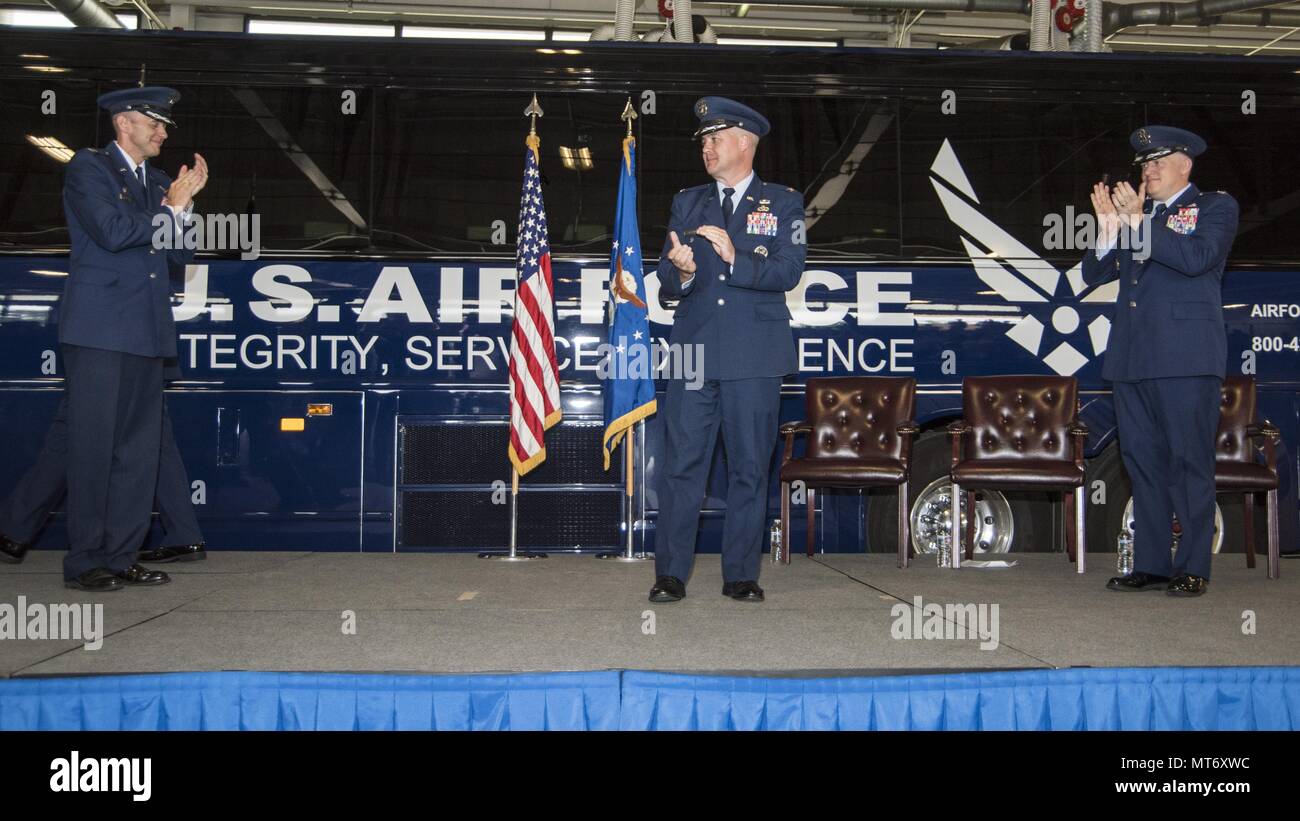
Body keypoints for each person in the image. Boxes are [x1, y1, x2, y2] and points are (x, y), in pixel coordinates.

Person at [649, 97, 806, 603]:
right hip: (694, 355)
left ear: (744, 143)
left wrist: (736, 259)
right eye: (704, 140)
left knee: (748, 468)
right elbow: (667, 276)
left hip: (754, 357)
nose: (706, 147)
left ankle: (741, 575)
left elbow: (789, 270)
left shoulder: (783, 203)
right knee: (681, 468)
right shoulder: (688, 201)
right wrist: (684, 272)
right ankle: (670, 575)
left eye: (716, 139)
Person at [57, 86, 208, 591]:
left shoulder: (161, 182)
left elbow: (179, 258)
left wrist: (183, 212)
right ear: (125, 123)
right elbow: (112, 230)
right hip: (100, 332)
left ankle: (122, 556)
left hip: (147, 333)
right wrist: (170, 211)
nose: (162, 133)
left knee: (138, 456)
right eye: (155, 123)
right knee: (94, 450)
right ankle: (85, 561)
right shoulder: (89, 168)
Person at [1082, 126, 1239, 597]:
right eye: (1144, 165)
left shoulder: (1214, 207)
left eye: (1157, 162)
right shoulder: (1139, 217)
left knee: (1188, 463)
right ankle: (1150, 563)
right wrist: (1111, 230)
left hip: (1185, 360)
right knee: (1142, 463)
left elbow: (1196, 259)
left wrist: (1138, 224)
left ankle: (1193, 565)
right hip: (1132, 359)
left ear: (1185, 165)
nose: (1147, 170)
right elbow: (1094, 273)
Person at [0, 375, 206, 565]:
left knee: (72, 429)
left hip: (103, 348)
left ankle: (14, 529)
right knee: (154, 429)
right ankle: (184, 534)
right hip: (143, 350)